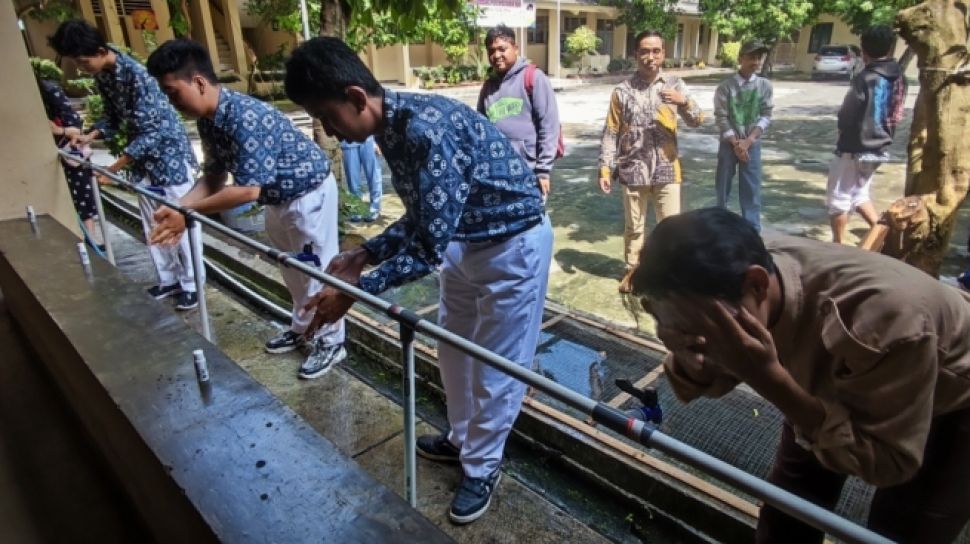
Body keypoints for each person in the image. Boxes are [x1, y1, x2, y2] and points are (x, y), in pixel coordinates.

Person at [284, 37, 553, 525]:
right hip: (466, 243)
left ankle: (482, 465)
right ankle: (462, 441)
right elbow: (425, 216)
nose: (326, 130)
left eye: (327, 116)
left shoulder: (426, 129)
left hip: (513, 248)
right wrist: (362, 254)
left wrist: (354, 291)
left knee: (497, 366)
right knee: (453, 353)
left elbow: (427, 247)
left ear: (356, 97)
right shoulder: (390, 126)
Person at [634, 207, 970, 544]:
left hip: (952, 399)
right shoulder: (732, 274)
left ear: (757, 284)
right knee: (788, 510)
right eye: (678, 328)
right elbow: (704, 377)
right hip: (821, 380)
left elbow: (888, 463)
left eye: (702, 331)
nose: (701, 343)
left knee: (901, 528)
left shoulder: (889, 322)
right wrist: (688, 354)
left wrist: (770, 381)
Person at [145, 39, 346, 379]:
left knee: (317, 271)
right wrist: (177, 206)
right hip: (278, 198)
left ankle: (331, 342)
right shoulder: (210, 120)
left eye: (172, 91)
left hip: (308, 194)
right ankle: (302, 329)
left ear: (198, 82)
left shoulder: (244, 117)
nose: (171, 102)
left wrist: (188, 214)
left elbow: (247, 190)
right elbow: (214, 176)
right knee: (291, 270)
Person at [49, 20, 203, 311]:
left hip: (168, 159)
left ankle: (192, 284)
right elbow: (112, 116)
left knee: (179, 224)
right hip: (142, 162)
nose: (82, 69)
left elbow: (152, 132)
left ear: (100, 50)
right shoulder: (105, 76)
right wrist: (89, 135)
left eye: (83, 62)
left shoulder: (137, 75)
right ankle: (168, 279)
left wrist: (115, 169)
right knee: (152, 224)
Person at [598, 30, 703, 294]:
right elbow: (611, 131)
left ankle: (671, 276)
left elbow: (698, 119)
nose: (650, 57)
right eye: (644, 51)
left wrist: (685, 102)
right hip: (633, 169)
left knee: (672, 228)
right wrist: (604, 167)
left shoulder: (675, 86)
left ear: (664, 54)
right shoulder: (621, 92)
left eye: (656, 51)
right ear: (636, 55)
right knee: (634, 227)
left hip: (668, 168)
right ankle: (633, 271)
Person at [827, 25, 906, 244]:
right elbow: (897, 113)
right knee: (859, 195)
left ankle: (838, 245)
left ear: (863, 49)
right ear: (891, 48)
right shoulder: (899, 77)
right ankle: (884, 235)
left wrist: (843, 135)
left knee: (839, 199)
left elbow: (846, 115)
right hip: (879, 148)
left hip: (854, 149)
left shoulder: (865, 78)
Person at [478, 24, 561, 199]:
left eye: (502, 49)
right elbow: (480, 129)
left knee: (531, 223)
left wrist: (543, 170)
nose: (496, 55)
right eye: (491, 51)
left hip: (528, 172)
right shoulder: (488, 86)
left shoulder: (533, 78)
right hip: (497, 175)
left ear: (515, 48)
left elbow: (549, 126)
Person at [713, 39, 774, 232]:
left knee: (751, 188)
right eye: (751, 57)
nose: (755, 62)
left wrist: (748, 141)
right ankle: (720, 224)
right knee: (723, 185)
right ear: (741, 58)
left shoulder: (764, 86)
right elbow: (721, 117)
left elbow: (766, 115)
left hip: (752, 144)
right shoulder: (726, 87)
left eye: (759, 58)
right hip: (728, 144)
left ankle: (752, 230)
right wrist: (736, 143)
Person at [36, 76, 99, 241]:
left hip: (69, 157)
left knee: (82, 201)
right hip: (53, 156)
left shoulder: (49, 91)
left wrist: (60, 131)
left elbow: (75, 129)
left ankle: (90, 242)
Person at [340, 136, 382, 222]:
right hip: (348, 140)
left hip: (368, 139)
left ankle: (375, 208)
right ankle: (356, 209)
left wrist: (377, 142)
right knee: (352, 179)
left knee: (373, 175)